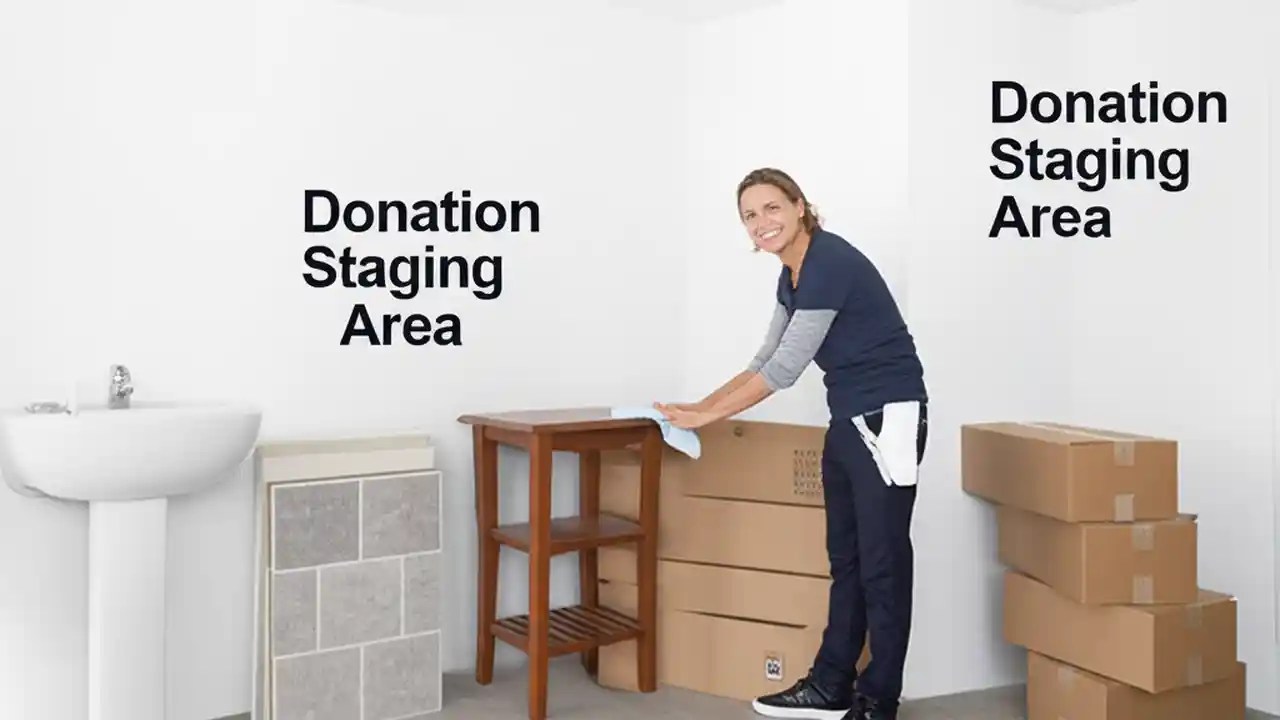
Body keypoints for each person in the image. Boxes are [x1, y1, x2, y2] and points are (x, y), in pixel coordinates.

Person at [655, 168, 928, 720]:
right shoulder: (792, 276)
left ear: (800, 207)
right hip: (849, 419)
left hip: (889, 417)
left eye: (772, 208)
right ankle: (831, 685)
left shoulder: (828, 264)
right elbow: (762, 359)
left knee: (883, 564)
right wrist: (695, 409)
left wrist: (708, 416)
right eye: (750, 216)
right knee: (846, 560)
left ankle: (878, 700)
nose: (762, 223)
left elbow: (784, 370)